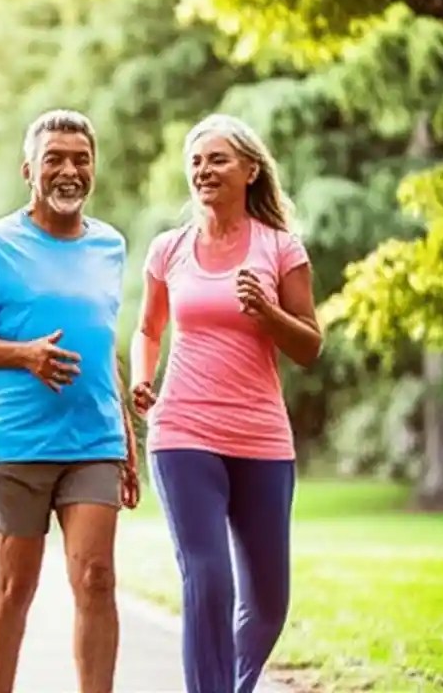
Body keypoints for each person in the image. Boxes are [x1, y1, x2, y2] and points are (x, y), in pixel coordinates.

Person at [0, 109, 140, 693]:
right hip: (17, 443)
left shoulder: (109, 245)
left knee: (97, 578)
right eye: (54, 159)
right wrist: (24, 355)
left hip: (93, 441)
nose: (69, 170)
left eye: (80, 159)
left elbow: (102, 346)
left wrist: (127, 435)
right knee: (13, 587)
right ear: (29, 170)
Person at [129, 113, 321, 693]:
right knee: (208, 579)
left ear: (250, 170)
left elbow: (309, 346)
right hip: (183, 430)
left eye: (217, 159)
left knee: (268, 602)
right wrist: (142, 377)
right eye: (196, 161)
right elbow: (148, 329)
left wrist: (268, 313)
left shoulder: (280, 248)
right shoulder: (169, 249)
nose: (204, 170)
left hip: (261, 435)